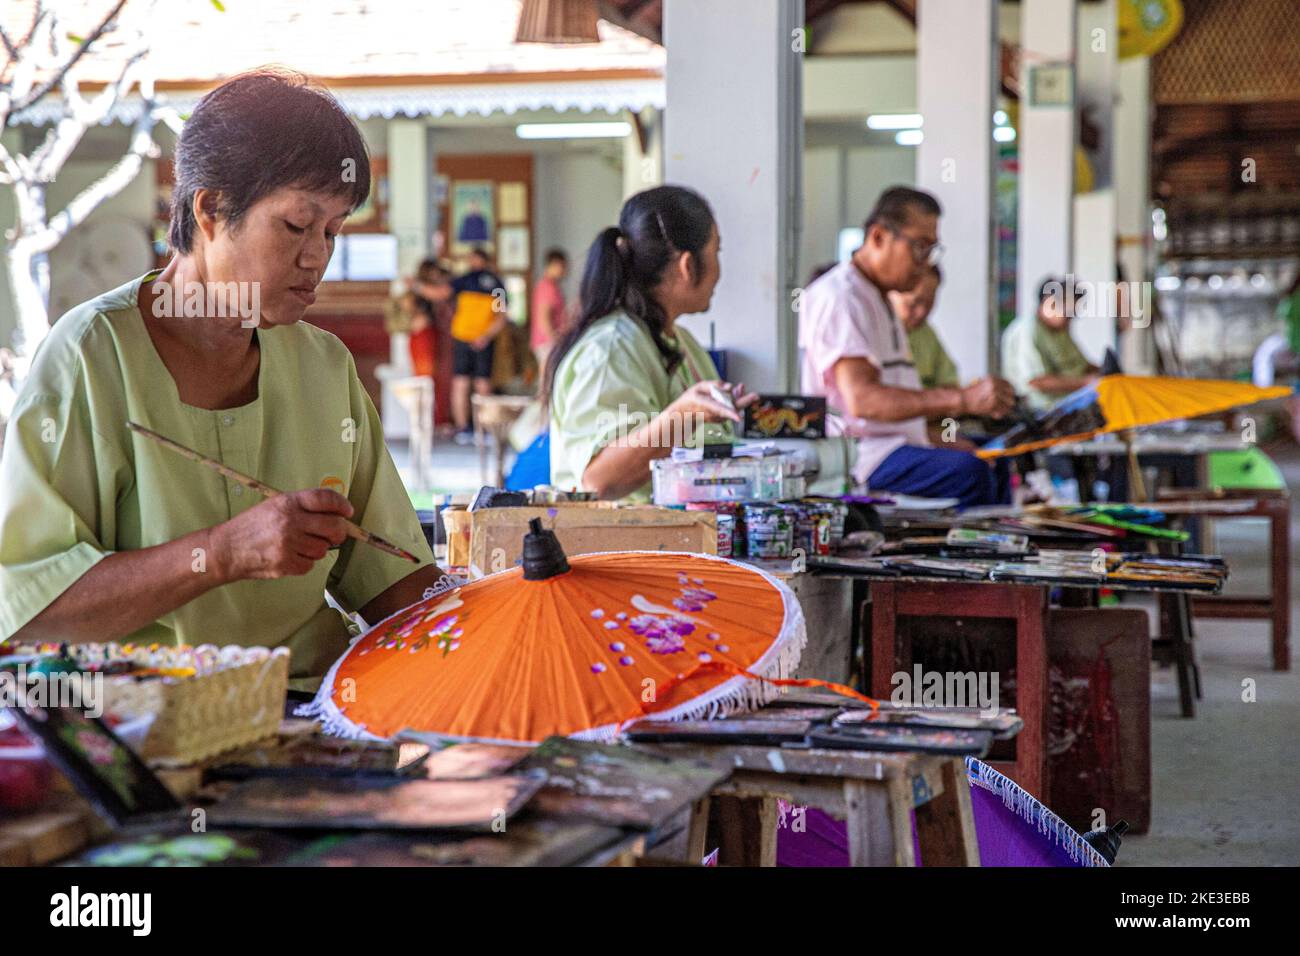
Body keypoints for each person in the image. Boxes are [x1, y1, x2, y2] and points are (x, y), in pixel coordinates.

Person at [0, 71, 446, 689]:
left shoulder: (324, 366)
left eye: (333, 231)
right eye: (296, 225)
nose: (318, 255)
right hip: (147, 730)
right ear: (209, 208)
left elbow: (394, 579)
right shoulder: (93, 356)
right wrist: (224, 552)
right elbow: (30, 614)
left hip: (309, 715)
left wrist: (483, 617)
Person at [799, 186, 1015, 507]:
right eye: (918, 247)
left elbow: (897, 402)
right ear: (878, 238)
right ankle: (967, 553)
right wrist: (962, 400)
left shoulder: (879, 298)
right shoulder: (841, 297)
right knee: (971, 473)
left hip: (894, 445)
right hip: (859, 458)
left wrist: (937, 438)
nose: (924, 261)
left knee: (995, 455)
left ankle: (1002, 552)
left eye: (931, 248)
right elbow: (863, 402)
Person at [546, 185, 756, 501]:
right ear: (688, 265)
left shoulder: (678, 341)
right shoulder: (610, 350)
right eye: (716, 252)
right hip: (624, 547)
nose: (719, 271)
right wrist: (684, 418)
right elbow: (599, 482)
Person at [1001, 276, 1099, 411]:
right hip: (1042, 410)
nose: (1070, 320)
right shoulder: (1026, 331)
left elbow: (1081, 365)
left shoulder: (1059, 331)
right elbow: (1036, 382)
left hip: (1070, 402)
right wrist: (1086, 382)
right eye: (1068, 314)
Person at [444, 247, 508, 442]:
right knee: (467, 383)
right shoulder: (490, 284)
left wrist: (486, 336)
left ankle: (478, 428)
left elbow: (501, 315)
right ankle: (471, 428)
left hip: (474, 338)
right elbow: (502, 316)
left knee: (477, 384)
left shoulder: (483, 283)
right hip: (471, 338)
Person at [889, 264, 958, 392]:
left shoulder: (925, 333)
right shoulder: (874, 331)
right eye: (914, 303)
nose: (922, 312)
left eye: (930, 303)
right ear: (891, 293)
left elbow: (949, 383)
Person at [531, 247, 568, 369]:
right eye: (563, 266)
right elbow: (543, 319)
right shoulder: (547, 288)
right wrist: (555, 340)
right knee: (547, 380)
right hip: (547, 342)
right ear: (554, 265)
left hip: (550, 341)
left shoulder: (552, 286)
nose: (565, 270)